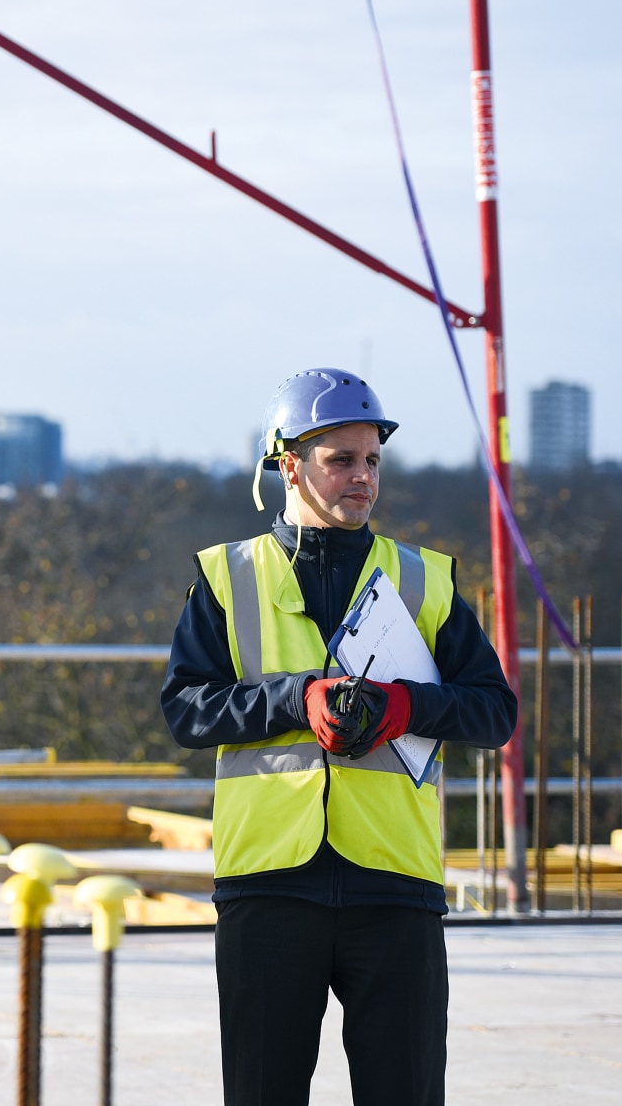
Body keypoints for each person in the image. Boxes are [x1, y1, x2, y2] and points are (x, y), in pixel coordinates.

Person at [160, 368, 518, 1106]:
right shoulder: (228, 577)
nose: (363, 477)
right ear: (288, 464)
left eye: (372, 461)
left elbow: (494, 713)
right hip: (268, 884)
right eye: (342, 460)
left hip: (395, 885)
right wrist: (298, 698)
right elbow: (187, 710)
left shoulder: (426, 581)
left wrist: (402, 707)